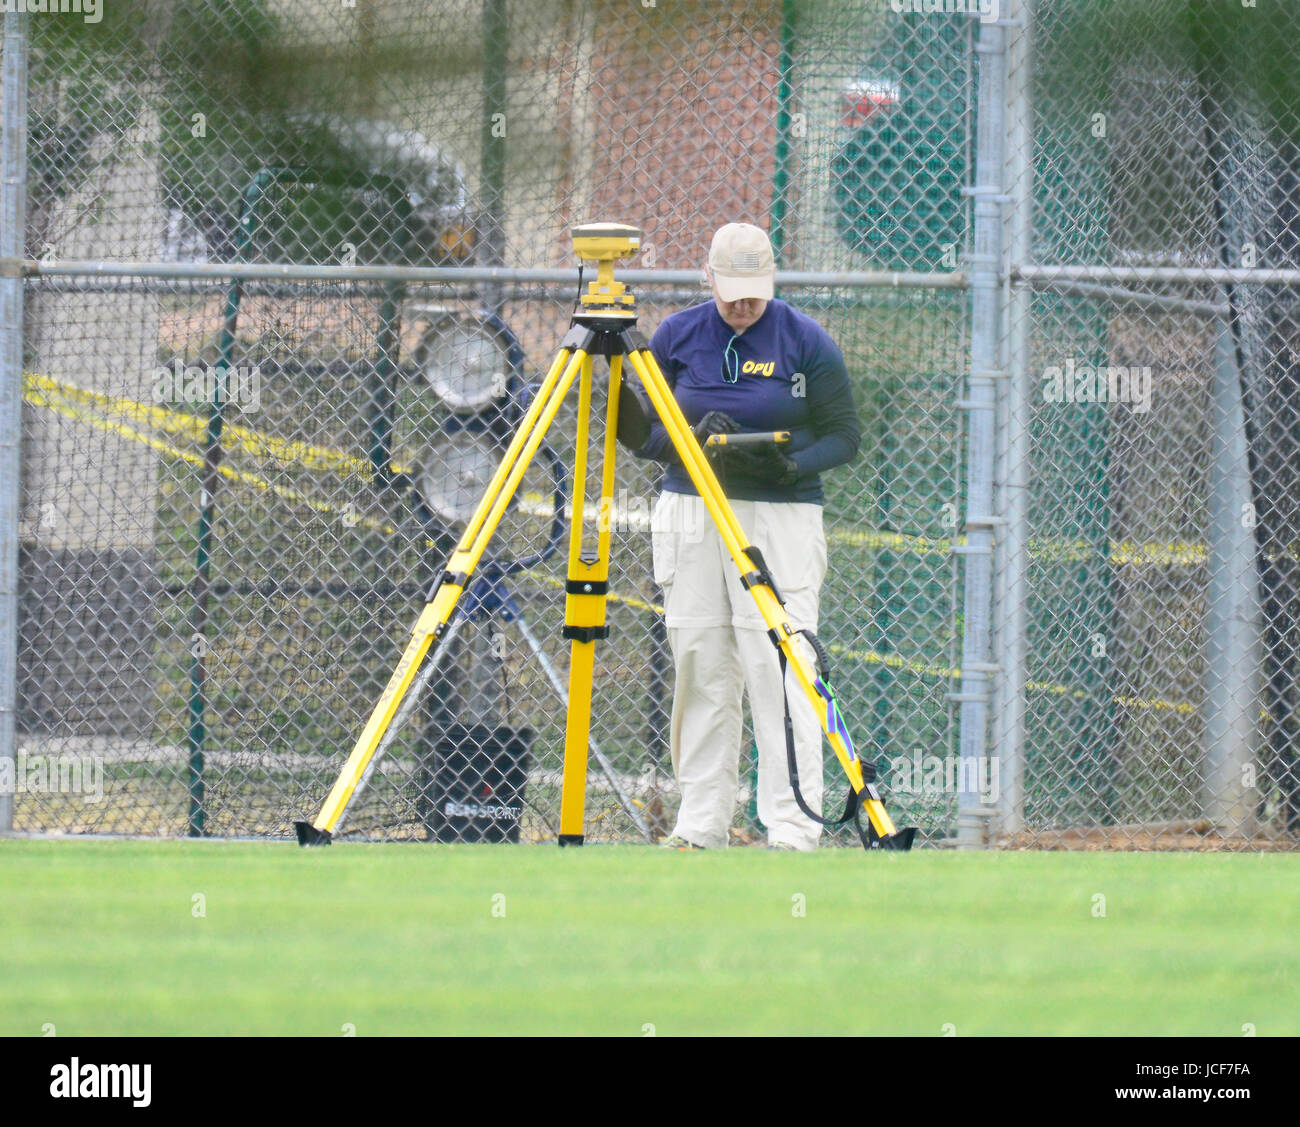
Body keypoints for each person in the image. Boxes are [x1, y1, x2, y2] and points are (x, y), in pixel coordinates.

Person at [633, 222, 861, 851]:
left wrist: (792, 464)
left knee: (781, 665)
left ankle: (791, 828)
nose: (742, 304)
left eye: (754, 291)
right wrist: (691, 440)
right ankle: (701, 824)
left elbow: (844, 434)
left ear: (772, 280)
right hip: (692, 511)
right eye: (730, 290)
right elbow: (647, 435)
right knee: (702, 663)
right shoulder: (677, 336)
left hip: (780, 518)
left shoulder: (805, 340)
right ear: (707, 277)